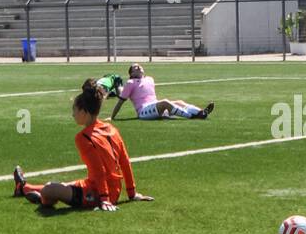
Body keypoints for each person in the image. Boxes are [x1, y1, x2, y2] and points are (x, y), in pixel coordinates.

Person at [12, 79, 153, 212]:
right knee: (65, 185)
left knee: (50, 189)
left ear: (84, 112)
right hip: (107, 188)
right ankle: (23, 188)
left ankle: (44, 200)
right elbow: (125, 162)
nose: (73, 114)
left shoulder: (84, 137)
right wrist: (131, 192)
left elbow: (99, 170)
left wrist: (104, 199)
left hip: (96, 192)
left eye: (74, 110)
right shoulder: (112, 129)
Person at [108, 64, 213, 121]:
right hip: (143, 111)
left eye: (140, 66)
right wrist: (112, 117)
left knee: (179, 102)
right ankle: (191, 116)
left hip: (154, 107)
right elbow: (120, 102)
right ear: (131, 73)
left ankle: (201, 112)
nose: (139, 67)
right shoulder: (130, 83)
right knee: (165, 102)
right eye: (135, 67)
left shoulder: (150, 79)